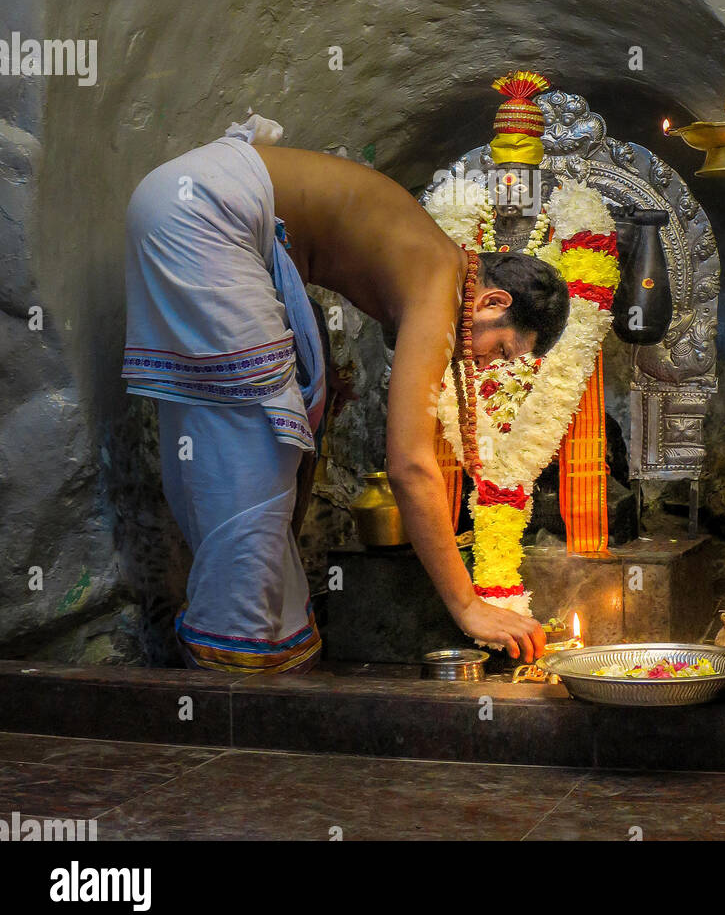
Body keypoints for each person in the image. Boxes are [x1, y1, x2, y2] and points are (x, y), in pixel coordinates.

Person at [123, 118, 569, 672]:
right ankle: (232, 656)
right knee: (253, 446)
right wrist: (467, 605)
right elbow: (409, 465)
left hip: (189, 205)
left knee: (234, 429)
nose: (485, 365)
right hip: (206, 216)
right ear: (493, 300)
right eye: (502, 351)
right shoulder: (440, 283)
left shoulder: (429, 260)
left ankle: (257, 644)